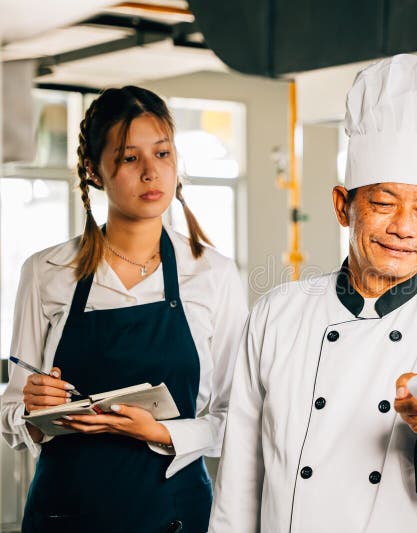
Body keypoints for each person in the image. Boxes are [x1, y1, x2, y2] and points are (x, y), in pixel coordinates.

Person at [210, 54, 417, 533]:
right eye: (382, 203)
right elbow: (239, 482)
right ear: (342, 205)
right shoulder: (277, 315)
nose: (404, 228)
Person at [0, 86, 248, 533]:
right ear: (95, 171)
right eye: (130, 158)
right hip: (67, 514)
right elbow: (13, 414)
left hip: (173, 513)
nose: (152, 172)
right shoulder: (47, 272)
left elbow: (236, 416)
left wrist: (161, 433)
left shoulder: (213, 274)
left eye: (163, 153)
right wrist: (33, 412)